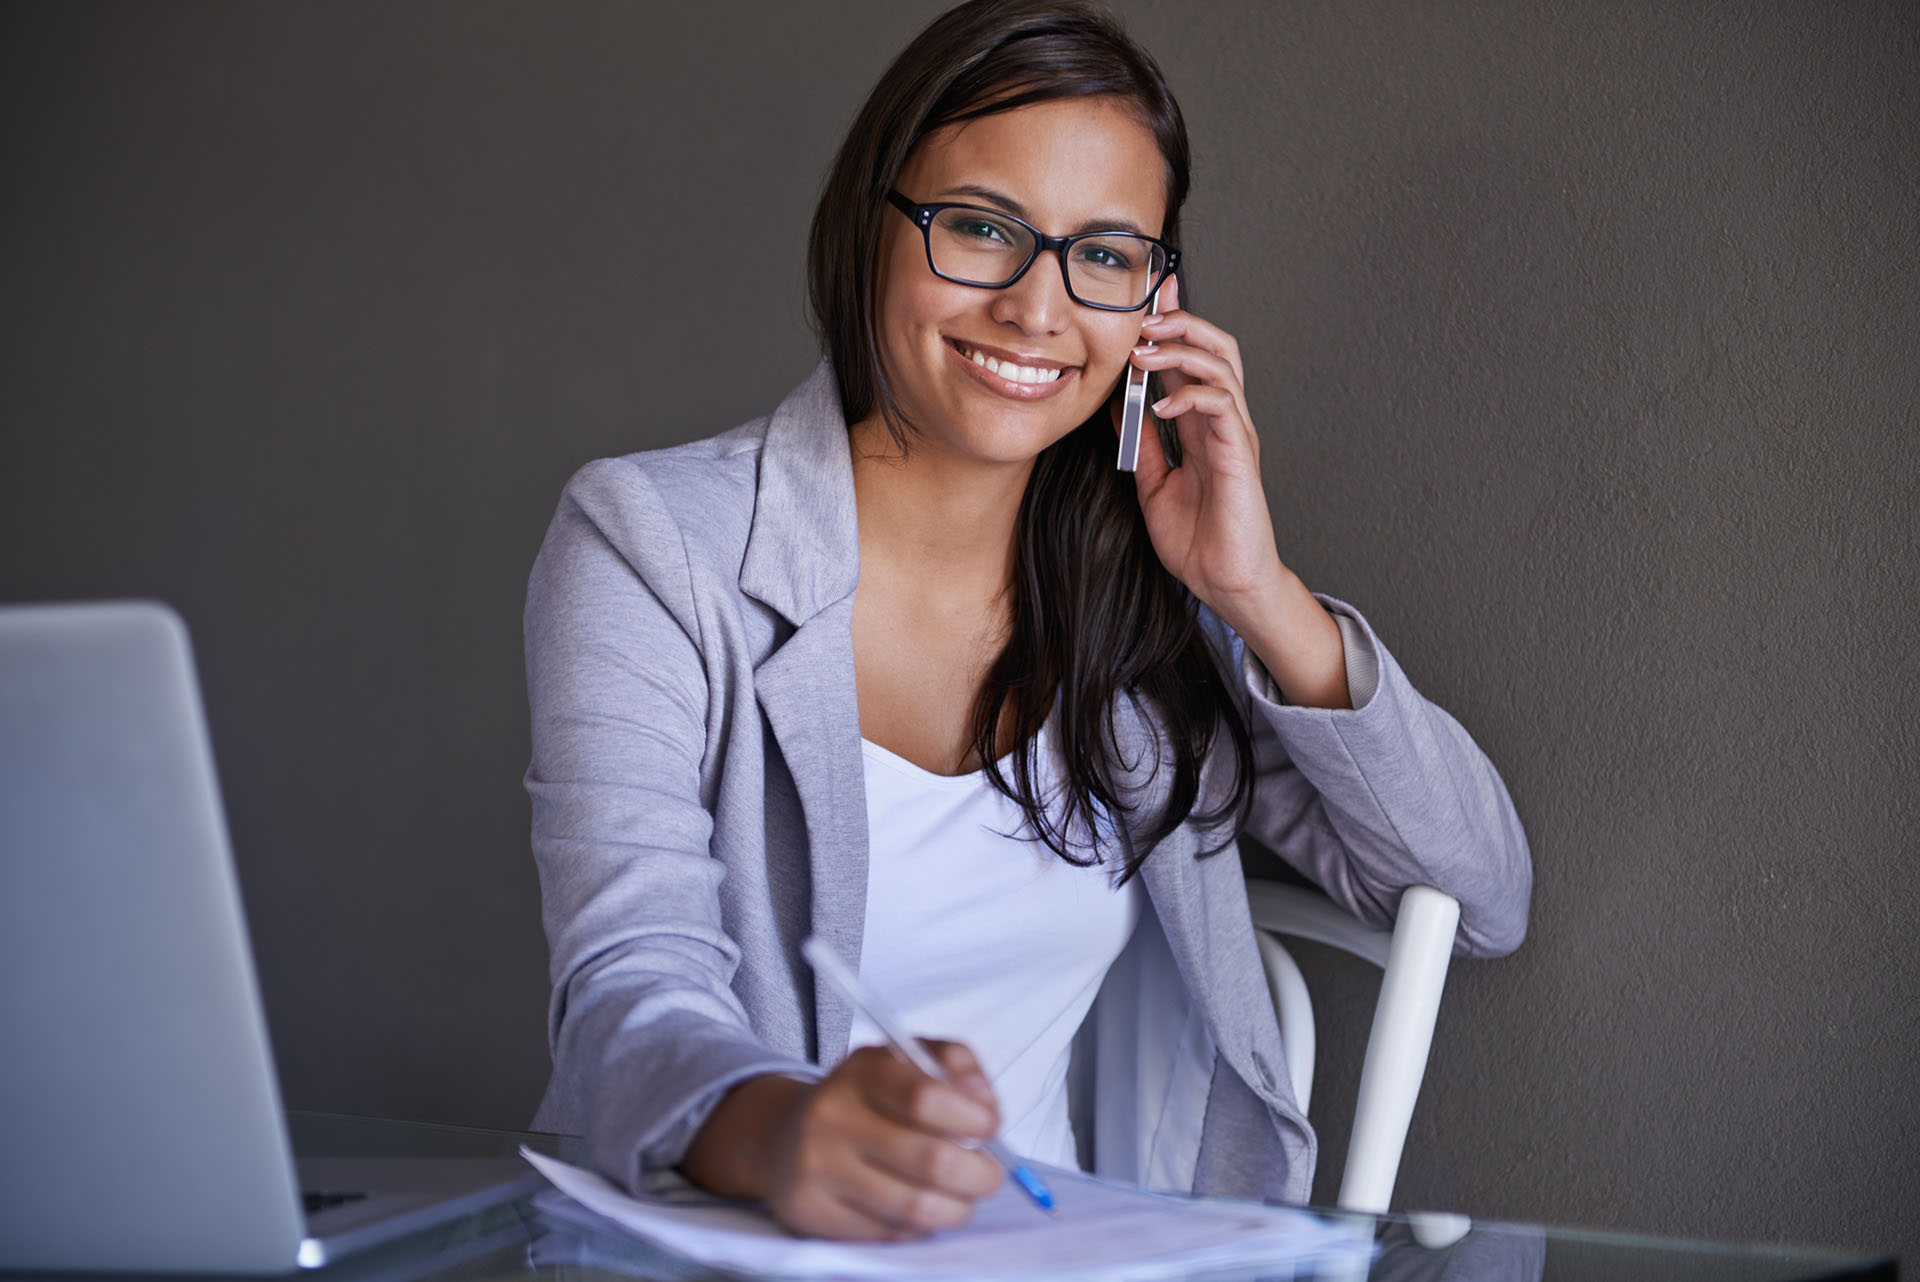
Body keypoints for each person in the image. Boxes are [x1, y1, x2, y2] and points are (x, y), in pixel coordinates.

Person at [523, 0, 1531, 1243]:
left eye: (1105, 254)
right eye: (983, 229)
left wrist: (1257, 592)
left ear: (1156, 305)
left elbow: (1480, 895)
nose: (1038, 308)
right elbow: (628, 985)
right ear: (872, 224)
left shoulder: (1145, 603)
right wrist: (780, 1131)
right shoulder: (649, 541)